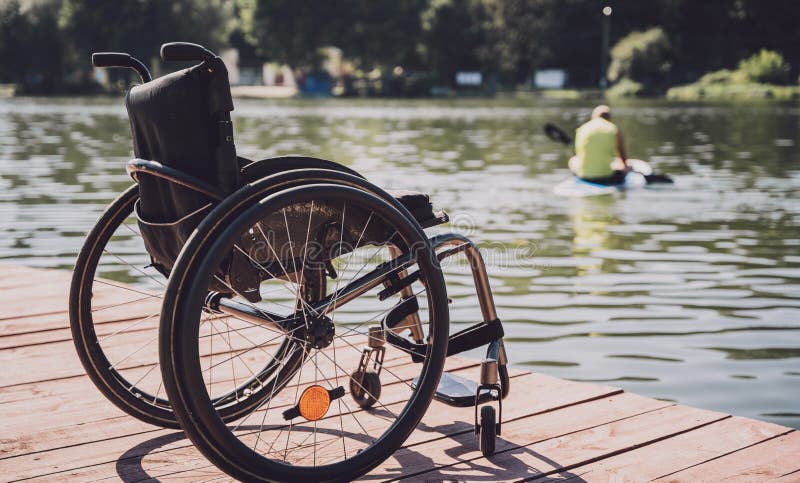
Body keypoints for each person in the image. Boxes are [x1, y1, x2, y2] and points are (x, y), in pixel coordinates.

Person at [569, 105, 629, 185]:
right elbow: (622, 155)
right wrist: (626, 167)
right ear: (609, 118)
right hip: (607, 178)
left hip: (584, 177)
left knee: (573, 160)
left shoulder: (582, 129)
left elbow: (579, 154)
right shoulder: (613, 129)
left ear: (593, 117)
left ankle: (577, 178)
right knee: (622, 166)